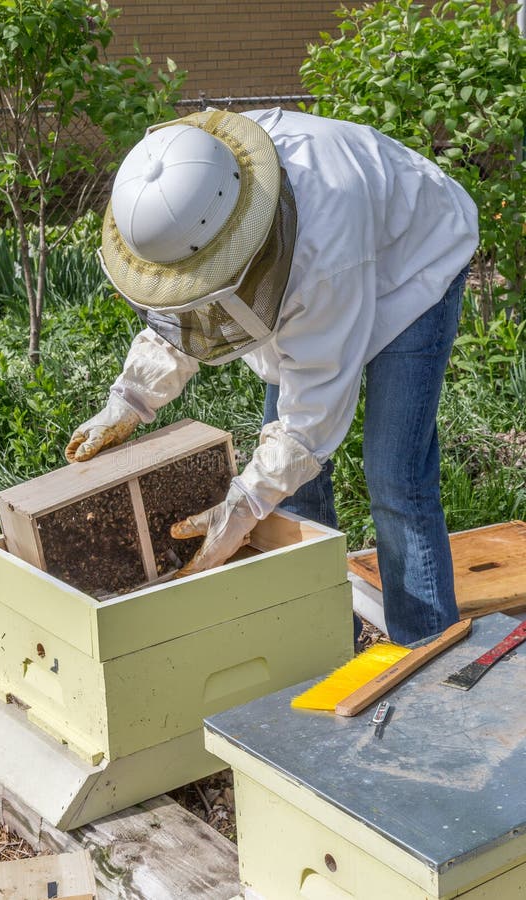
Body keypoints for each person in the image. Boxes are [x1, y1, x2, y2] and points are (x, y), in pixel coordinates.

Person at [65, 108, 479, 646]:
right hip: (329, 275)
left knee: (394, 475)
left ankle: (429, 649)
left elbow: (310, 416)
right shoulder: (200, 179)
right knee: (290, 492)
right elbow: (183, 315)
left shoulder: (328, 244)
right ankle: (324, 641)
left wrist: (242, 505)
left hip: (415, 264)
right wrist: (129, 401)